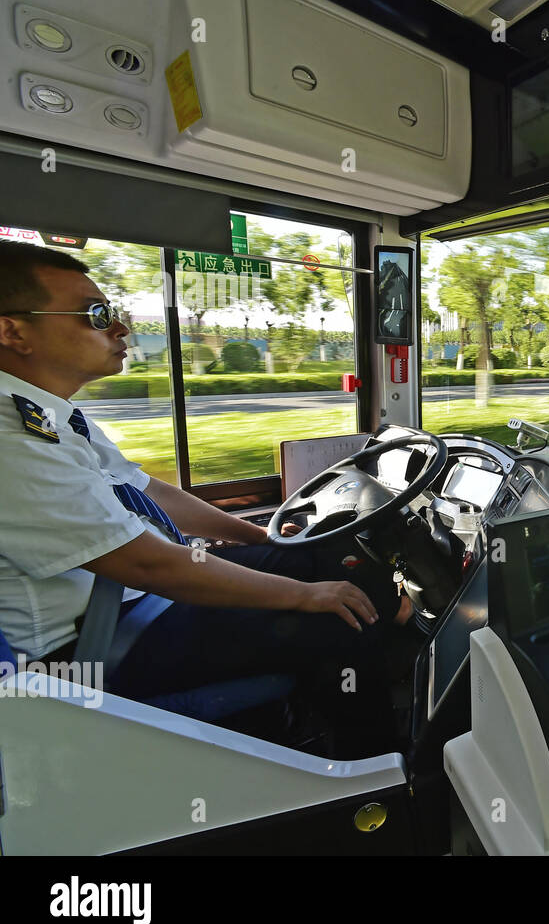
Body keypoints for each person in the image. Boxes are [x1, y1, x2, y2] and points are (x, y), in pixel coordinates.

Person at [0, 241, 409, 755]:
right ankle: (376, 778)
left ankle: (348, 687)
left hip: (140, 600)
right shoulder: (12, 441)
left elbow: (149, 491)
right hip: (92, 643)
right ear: (12, 330)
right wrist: (308, 596)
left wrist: (259, 537)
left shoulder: (52, 416)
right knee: (340, 621)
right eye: (97, 315)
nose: (121, 329)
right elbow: (150, 565)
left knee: (316, 555)